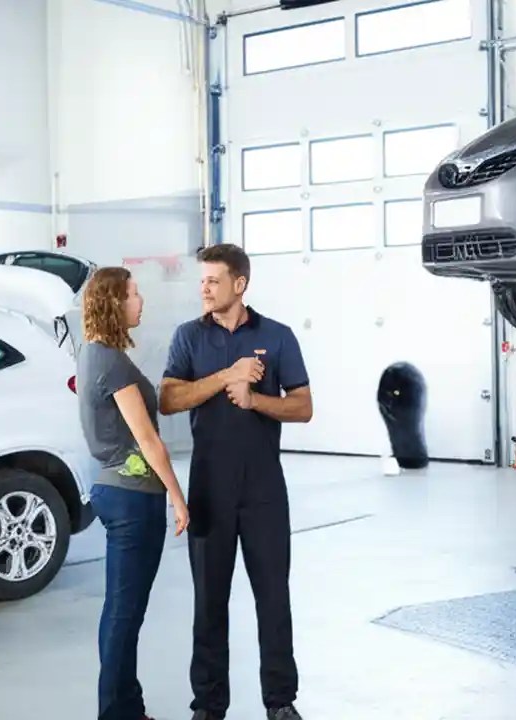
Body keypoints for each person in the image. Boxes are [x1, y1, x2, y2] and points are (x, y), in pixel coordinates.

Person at [159, 243, 312, 720]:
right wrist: (227, 375)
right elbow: (168, 399)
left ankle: (280, 702)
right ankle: (208, 705)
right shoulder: (188, 337)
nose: (204, 289)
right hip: (208, 486)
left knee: (273, 598)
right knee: (209, 602)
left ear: (239, 284)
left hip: (264, 489)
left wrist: (255, 400)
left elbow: (303, 407)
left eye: (213, 281)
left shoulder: (279, 336)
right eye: (201, 281)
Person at [77, 266, 191, 720]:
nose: (141, 301)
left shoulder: (91, 354)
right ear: (114, 303)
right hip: (133, 498)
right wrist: (179, 498)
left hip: (111, 489)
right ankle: (116, 713)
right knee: (126, 614)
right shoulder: (112, 362)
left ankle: (128, 708)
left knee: (120, 611)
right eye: (134, 294)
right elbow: (149, 441)